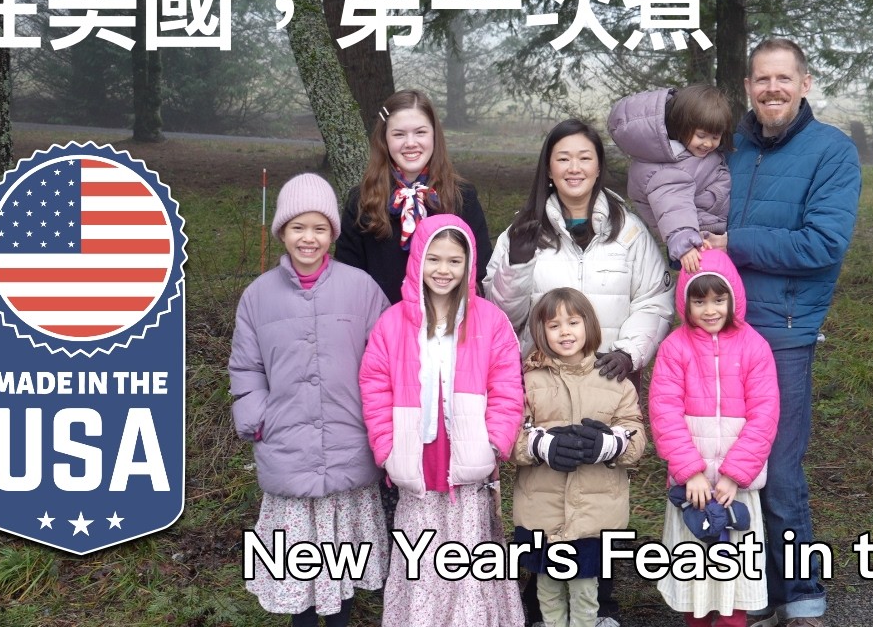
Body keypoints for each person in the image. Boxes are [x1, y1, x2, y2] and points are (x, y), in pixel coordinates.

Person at [485, 118, 674, 627]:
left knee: (600, 487)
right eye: (563, 157)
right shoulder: (523, 229)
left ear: (598, 165)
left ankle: (600, 603)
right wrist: (516, 267)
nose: (574, 167)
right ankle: (539, 602)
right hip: (541, 380)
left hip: (607, 378)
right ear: (548, 165)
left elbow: (655, 295)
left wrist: (630, 352)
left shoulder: (628, 227)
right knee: (544, 482)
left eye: (584, 157)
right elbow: (500, 316)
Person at [705, 38, 861, 627]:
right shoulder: (730, 147)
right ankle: (752, 590)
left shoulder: (832, 153)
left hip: (784, 331)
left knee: (779, 465)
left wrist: (732, 245)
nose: (772, 89)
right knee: (725, 460)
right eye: (761, 79)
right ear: (748, 86)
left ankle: (800, 592)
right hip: (718, 328)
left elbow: (822, 245)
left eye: (783, 78)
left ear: (805, 83)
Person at [230, 172, 391, 627]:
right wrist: (258, 419)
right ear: (283, 230)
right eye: (299, 227)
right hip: (288, 450)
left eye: (320, 228)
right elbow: (246, 367)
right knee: (297, 573)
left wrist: (376, 425)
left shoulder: (360, 288)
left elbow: (384, 362)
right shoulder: (258, 296)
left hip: (348, 449)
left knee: (341, 571)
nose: (309, 238)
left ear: (333, 234)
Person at [359, 213, 525, 627]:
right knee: (422, 554)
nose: (443, 270)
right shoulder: (392, 323)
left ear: (468, 265)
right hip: (416, 465)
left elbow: (507, 389)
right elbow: (375, 389)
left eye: (454, 261)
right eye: (434, 259)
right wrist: (386, 448)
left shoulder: (490, 321)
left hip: (469, 466)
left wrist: (493, 444)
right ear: (418, 261)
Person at [648, 248, 779, 627]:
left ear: (733, 298)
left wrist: (735, 474)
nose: (710, 310)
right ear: (685, 302)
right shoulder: (675, 348)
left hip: (736, 488)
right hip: (694, 488)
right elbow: (664, 413)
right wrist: (689, 471)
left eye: (719, 299)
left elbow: (765, 415)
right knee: (695, 577)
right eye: (699, 300)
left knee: (735, 580)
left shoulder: (754, 346)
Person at [512, 288, 647, 627]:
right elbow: (509, 437)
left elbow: (635, 434)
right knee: (547, 583)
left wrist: (610, 445)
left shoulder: (615, 381)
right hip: (543, 509)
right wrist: (539, 446)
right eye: (554, 325)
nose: (565, 332)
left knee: (586, 586)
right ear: (541, 332)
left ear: (589, 325)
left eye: (573, 322)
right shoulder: (528, 381)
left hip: (595, 512)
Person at [335, 89, 492, 305]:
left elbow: (478, 270)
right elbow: (348, 279)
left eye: (420, 132)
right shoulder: (361, 201)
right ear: (385, 139)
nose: (410, 143)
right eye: (399, 134)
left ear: (434, 135)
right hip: (380, 328)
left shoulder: (462, 197)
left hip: (448, 329)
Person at [606, 84, 736, 273]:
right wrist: (684, 240)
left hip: (707, 236)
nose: (708, 143)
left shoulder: (690, 155)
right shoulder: (671, 166)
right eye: (701, 135)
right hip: (697, 244)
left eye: (715, 137)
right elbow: (673, 205)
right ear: (681, 127)